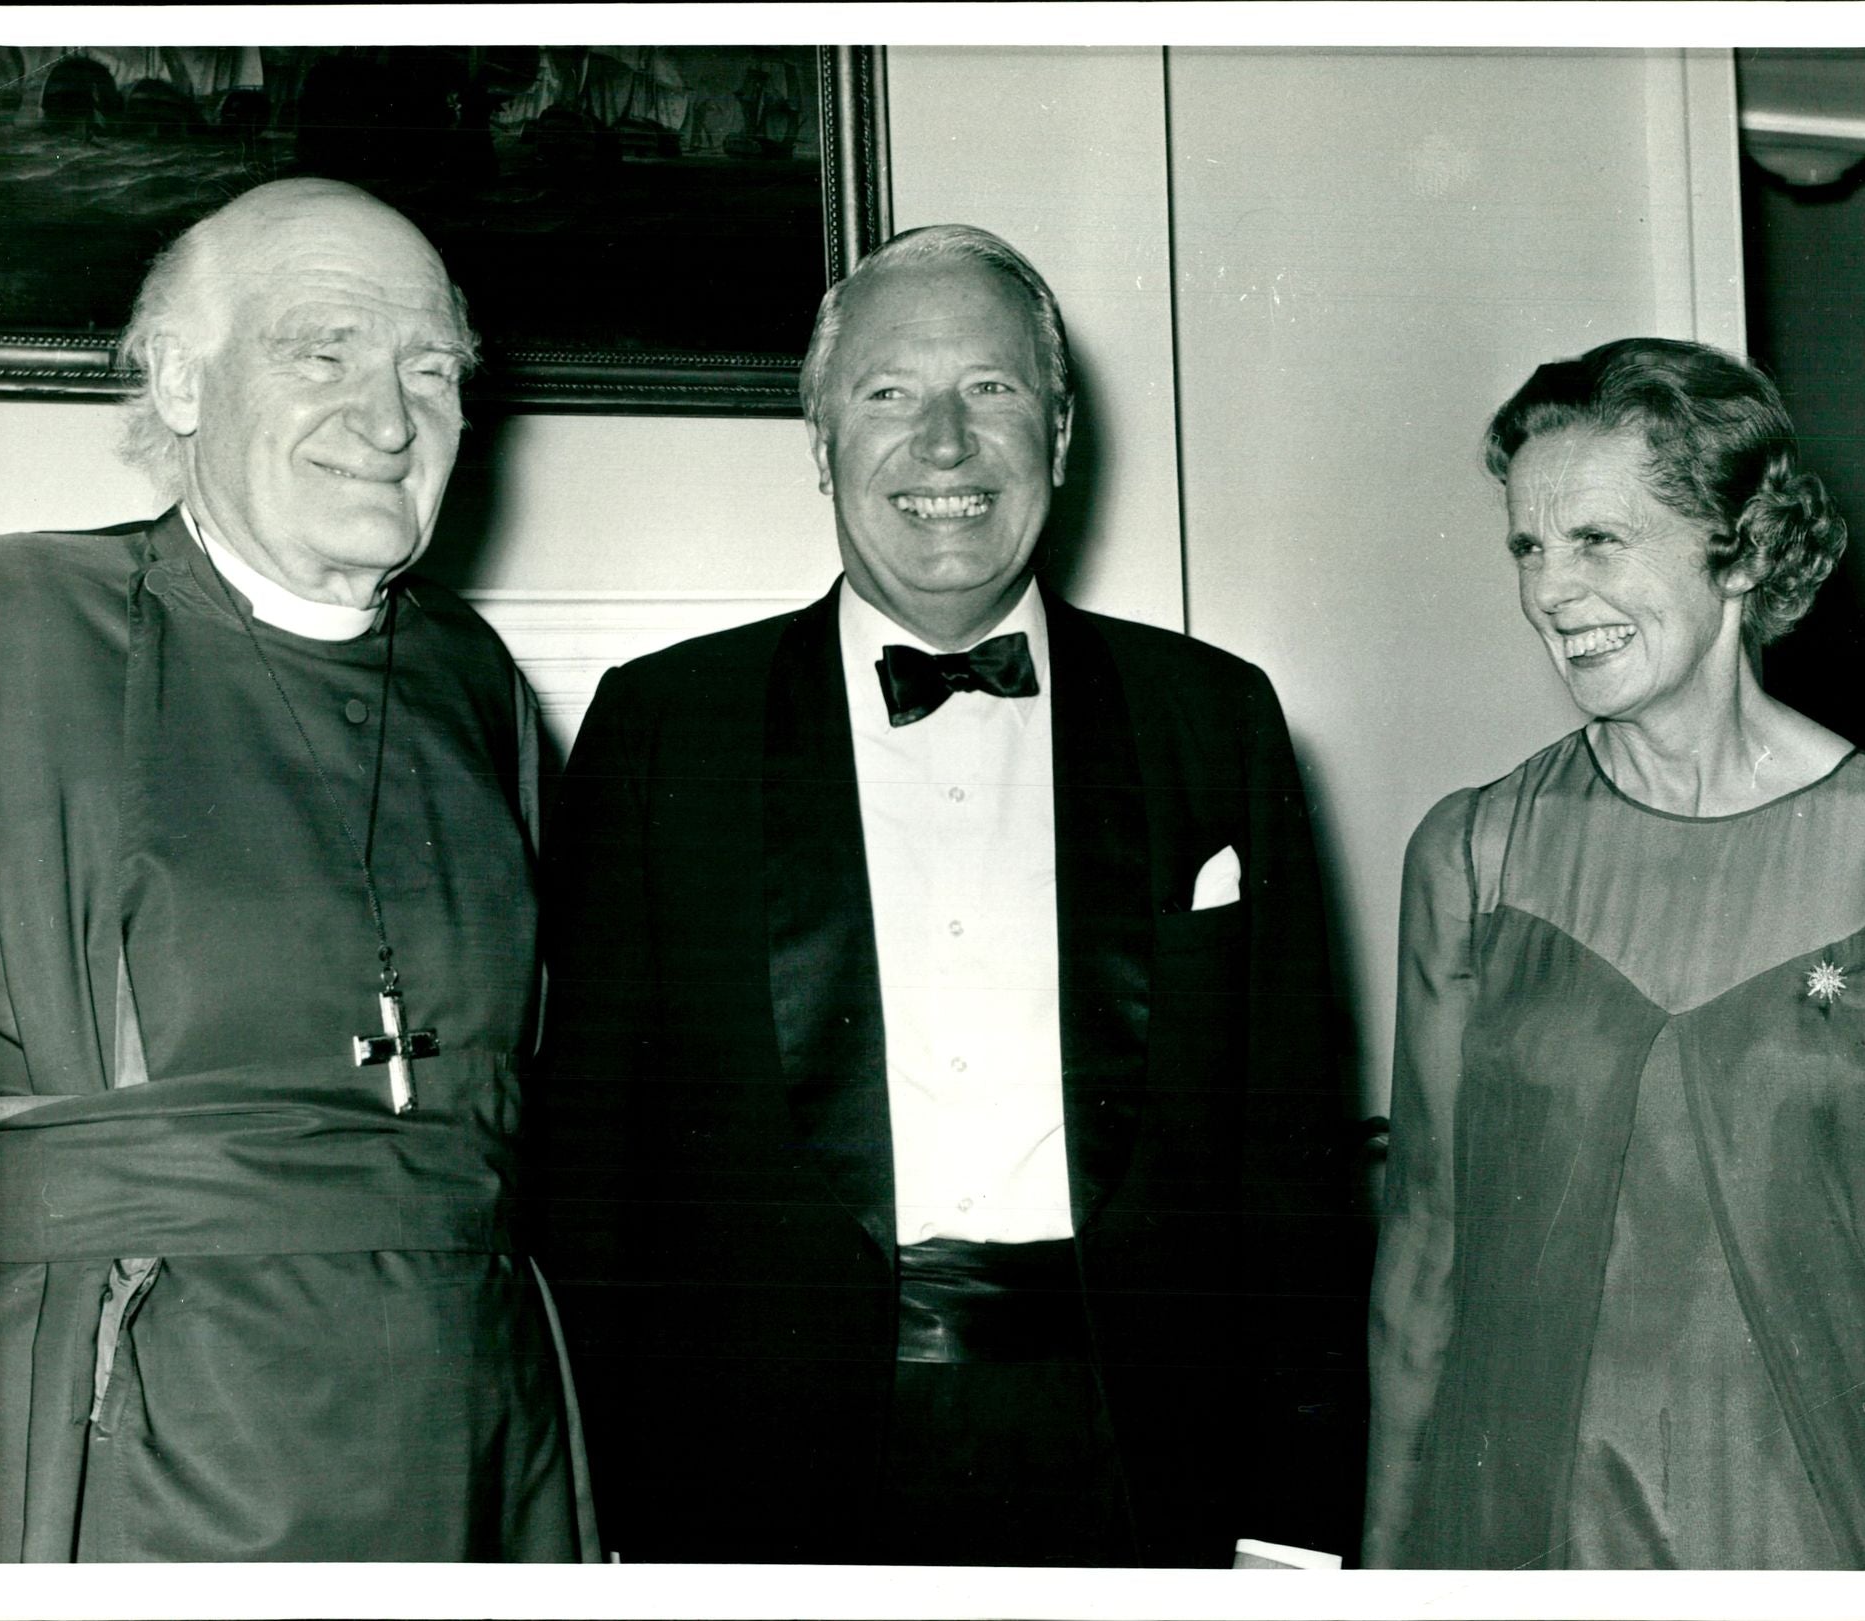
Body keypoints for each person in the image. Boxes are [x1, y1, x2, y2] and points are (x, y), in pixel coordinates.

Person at [537, 224, 1362, 1568]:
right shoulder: (658, 730)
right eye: (886, 395)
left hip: (1141, 1471)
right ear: (817, 445)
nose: (942, 446)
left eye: (990, 391)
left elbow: (1291, 1166)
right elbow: (590, 1180)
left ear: (1061, 432)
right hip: (759, 1485)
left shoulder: (1214, 719)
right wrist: (611, 1529)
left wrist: (1293, 1513)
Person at [0, 178, 595, 1561]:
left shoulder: (474, 682)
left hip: (475, 1433)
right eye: (323, 353)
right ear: (181, 384)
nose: (388, 421)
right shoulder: (5, 631)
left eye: (428, 369)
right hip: (145, 1428)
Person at [1363, 338, 1865, 1570]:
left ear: (1743, 548)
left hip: (1808, 1520)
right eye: (1528, 547)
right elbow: (1423, 1252)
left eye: (1597, 539)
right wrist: (1380, 1568)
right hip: (1512, 1522)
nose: (1548, 589)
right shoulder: (1476, 853)